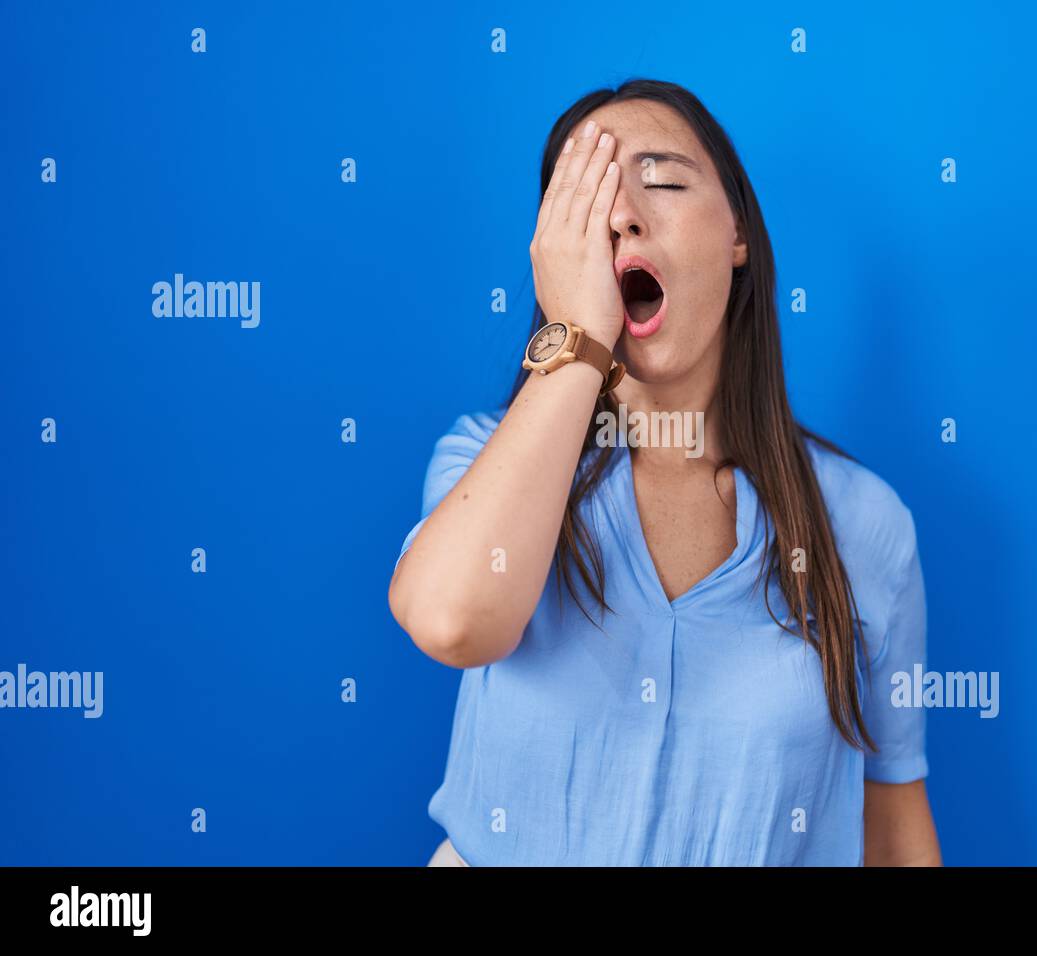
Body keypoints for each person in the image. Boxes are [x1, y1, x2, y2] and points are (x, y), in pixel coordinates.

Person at [390, 79, 941, 867]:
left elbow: (894, 831)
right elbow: (453, 620)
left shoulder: (863, 522)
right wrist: (577, 337)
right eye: (587, 204)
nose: (621, 215)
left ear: (738, 234)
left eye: (662, 181)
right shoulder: (483, 461)